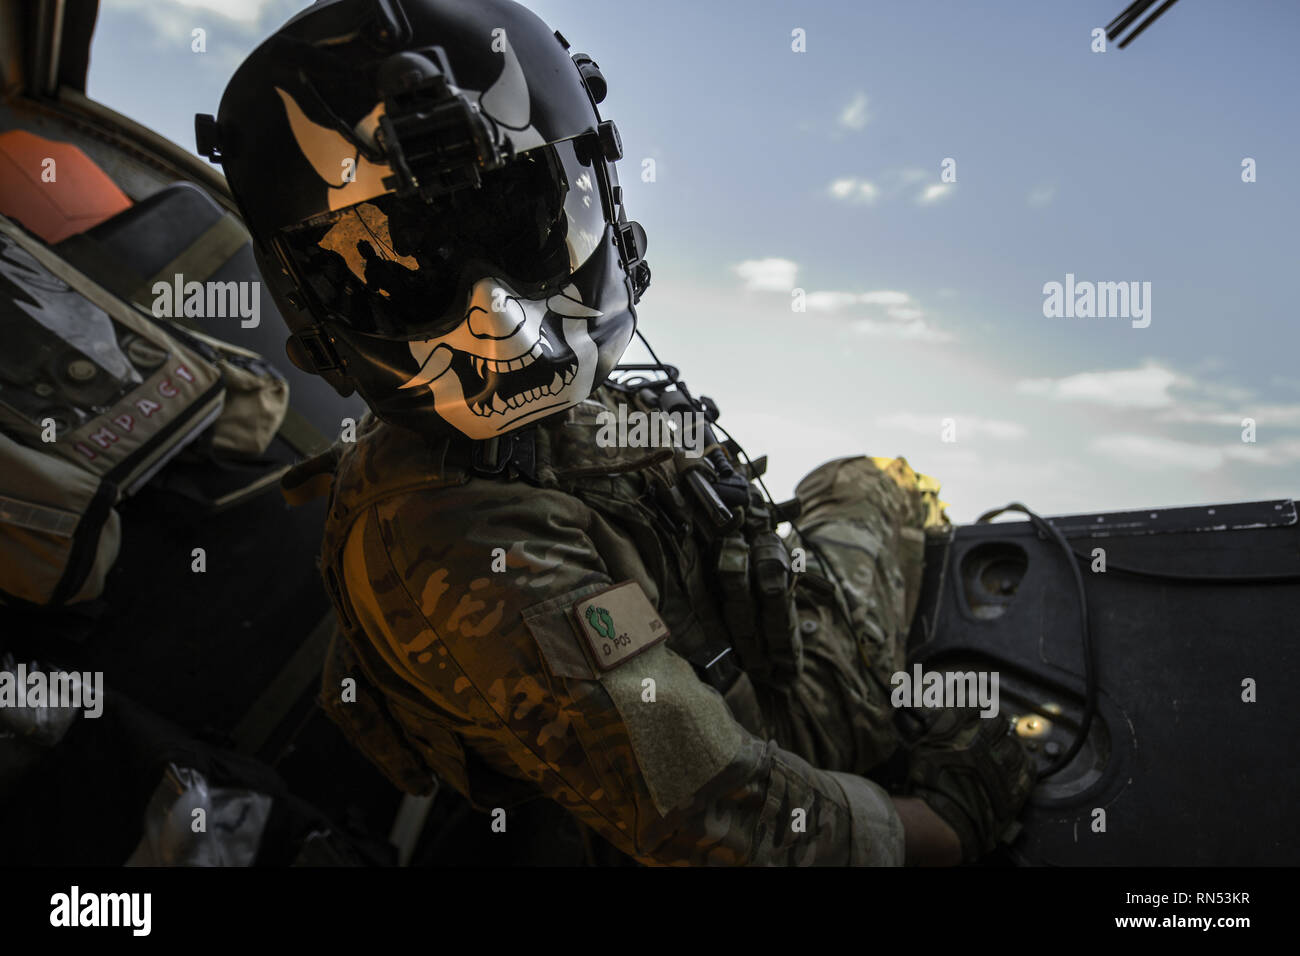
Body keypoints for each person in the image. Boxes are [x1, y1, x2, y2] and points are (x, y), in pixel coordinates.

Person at [200, 0, 1034, 866]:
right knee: (875, 480)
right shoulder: (453, 538)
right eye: (399, 272)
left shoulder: (504, 438)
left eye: (519, 227)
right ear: (316, 308)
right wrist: (951, 826)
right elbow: (720, 812)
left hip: (754, 640)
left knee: (872, 477)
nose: (502, 323)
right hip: (795, 739)